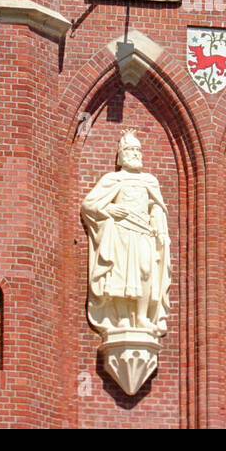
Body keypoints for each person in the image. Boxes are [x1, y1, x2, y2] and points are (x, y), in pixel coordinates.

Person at [81, 129, 171, 335]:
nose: (136, 154)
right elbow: (89, 205)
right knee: (120, 273)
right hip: (121, 232)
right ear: (121, 155)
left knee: (146, 272)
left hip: (143, 232)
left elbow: (156, 206)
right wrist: (109, 209)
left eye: (138, 150)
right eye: (130, 150)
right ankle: (121, 318)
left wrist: (159, 226)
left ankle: (141, 317)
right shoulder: (112, 179)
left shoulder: (150, 180)